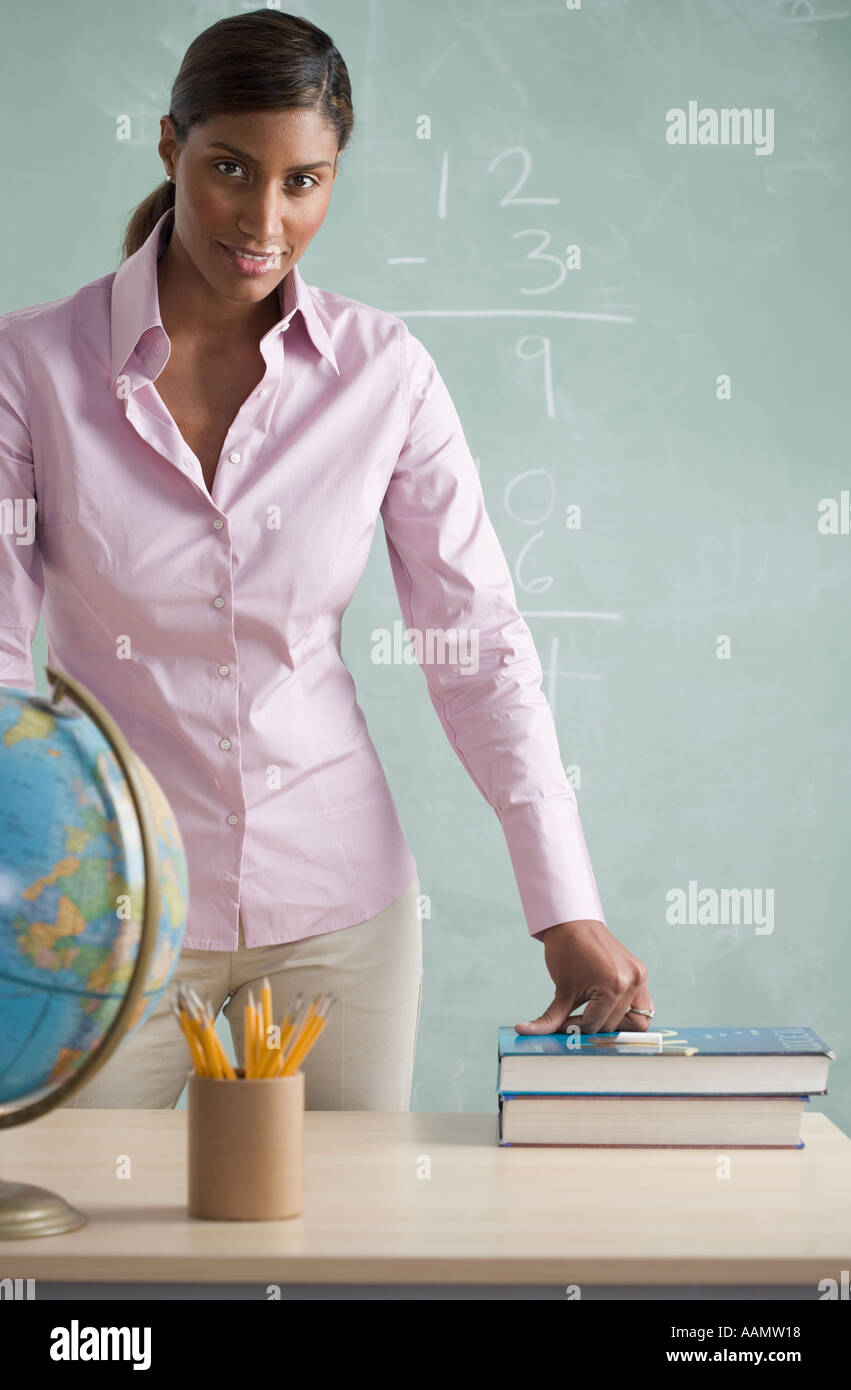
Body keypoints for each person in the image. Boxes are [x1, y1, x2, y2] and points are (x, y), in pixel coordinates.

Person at [0, 11, 653, 1112]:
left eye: (305, 181)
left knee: (341, 1262)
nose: (265, 220)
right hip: (104, 922)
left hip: (338, 919)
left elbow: (478, 646)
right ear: (170, 148)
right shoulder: (32, 367)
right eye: (229, 170)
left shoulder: (384, 373)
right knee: (78, 1245)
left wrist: (563, 905)